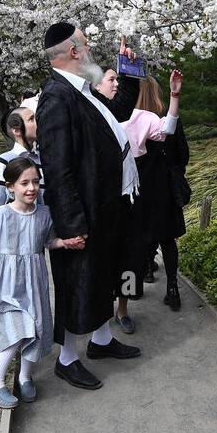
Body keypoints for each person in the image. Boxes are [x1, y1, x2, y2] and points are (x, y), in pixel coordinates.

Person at [34, 22, 143, 393]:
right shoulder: (56, 97)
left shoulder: (81, 92)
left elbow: (121, 112)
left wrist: (128, 71)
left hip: (105, 204)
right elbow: (57, 165)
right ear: (74, 51)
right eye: (85, 42)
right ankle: (67, 361)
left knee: (101, 277)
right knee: (75, 284)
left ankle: (101, 340)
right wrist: (70, 224)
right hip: (83, 212)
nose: (91, 46)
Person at [0, 156, 71, 408]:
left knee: (34, 329)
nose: (31, 188)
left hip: (34, 282)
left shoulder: (45, 214)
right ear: (10, 186)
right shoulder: (0, 214)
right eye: (24, 182)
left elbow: (48, 242)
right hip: (4, 285)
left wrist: (65, 243)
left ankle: (25, 377)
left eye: (35, 182)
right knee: (17, 329)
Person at [124, 71, 187, 312]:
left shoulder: (127, 121)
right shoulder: (169, 119)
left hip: (138, 187)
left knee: (135, 240)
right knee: (167, 239)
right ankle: (172, 289)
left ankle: (134, 286)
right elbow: (183, 154)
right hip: (165, 188)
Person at [0, 105, 41, 219]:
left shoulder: (42, 159)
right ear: (16, 130)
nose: (37, 122)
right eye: (31, 119)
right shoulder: (5, 160)